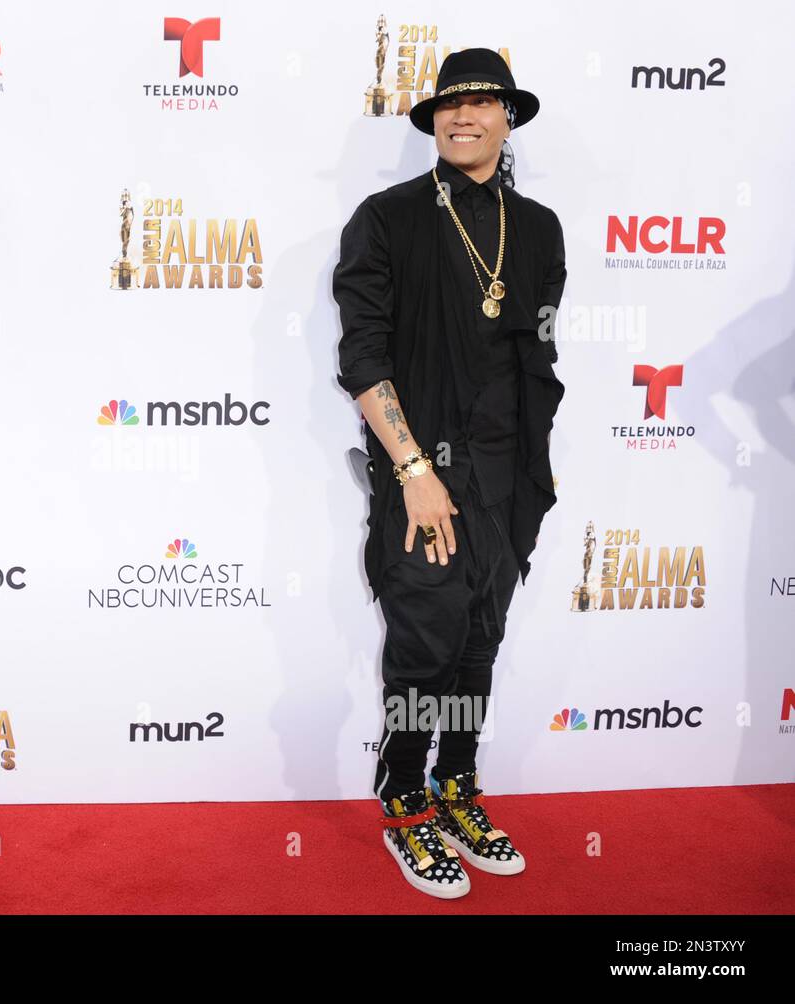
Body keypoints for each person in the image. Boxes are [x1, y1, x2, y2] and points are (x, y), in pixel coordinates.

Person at [332, 48, 566, 899]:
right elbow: (362, 356)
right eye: (450, 104)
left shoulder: (537, 227)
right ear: (433, 120)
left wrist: (527, 476)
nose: (464, 116)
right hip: (424, 469)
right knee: (424, 645)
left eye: (482, 103)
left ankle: (456, 784)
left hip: (511, 480)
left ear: (510, 118)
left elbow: (535, 353)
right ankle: (402, 798)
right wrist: (412, 471)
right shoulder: (387, 218)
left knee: (478, 641)